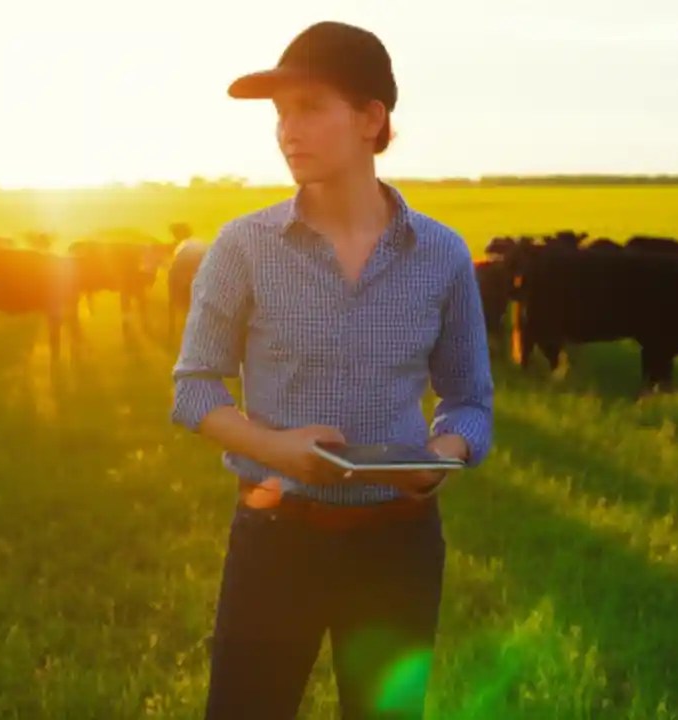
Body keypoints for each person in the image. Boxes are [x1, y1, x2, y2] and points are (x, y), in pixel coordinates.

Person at [169, 20, 495, 720]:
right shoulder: (243, 246)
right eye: (281, 114)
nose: (288, 130)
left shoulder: (441, 254)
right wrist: (276, 449)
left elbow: (470, 399)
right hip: (274, 537)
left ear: (372, 118)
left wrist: (441, 454)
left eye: (310, 107)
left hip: (400, 545)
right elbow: (194, 388)